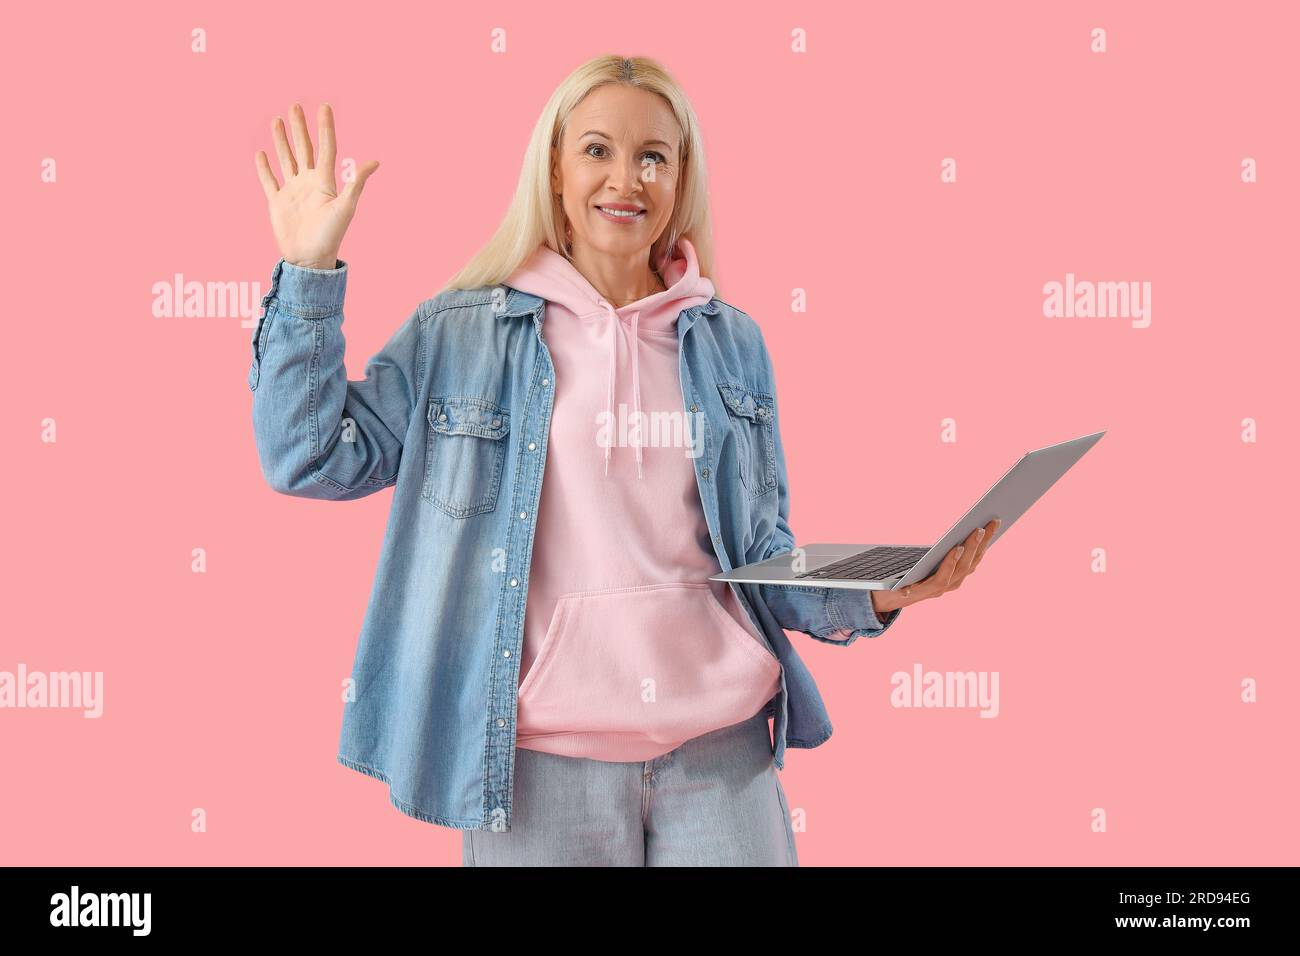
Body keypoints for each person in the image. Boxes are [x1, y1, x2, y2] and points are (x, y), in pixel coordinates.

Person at [250, 54, 998, 866]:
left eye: (654, 156)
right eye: (598, 150)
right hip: (536, 765)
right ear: (556, 170)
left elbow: (763, 556)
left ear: (680, 179)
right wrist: (308, 273)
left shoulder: (729, 342)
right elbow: (309, 455)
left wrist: (877, 592)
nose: (627, 179)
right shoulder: (459, 335)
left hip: (720, 752)